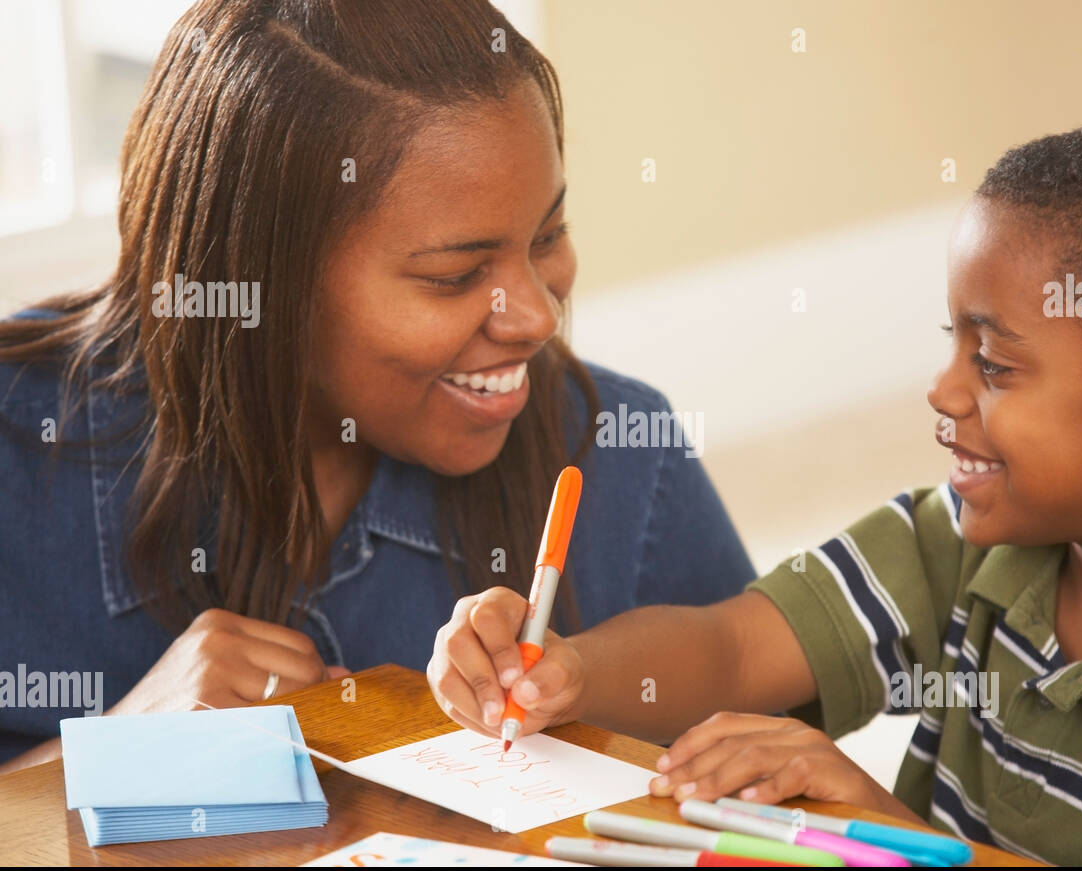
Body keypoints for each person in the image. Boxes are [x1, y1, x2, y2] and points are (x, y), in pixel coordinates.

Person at [431, 114, 1082, 865]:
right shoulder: (960, 542)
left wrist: (883, 831)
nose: (942, 391)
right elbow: (732, 648)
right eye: (952, 345)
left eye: (993, 364)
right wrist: (568, 673)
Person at [0, 0, 753, 772]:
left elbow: (779, 777)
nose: (536, 316)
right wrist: (115, 752)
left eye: (548, 236)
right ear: (258, 283)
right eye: (454, 276)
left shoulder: (626, 454)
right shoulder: (18, 451)